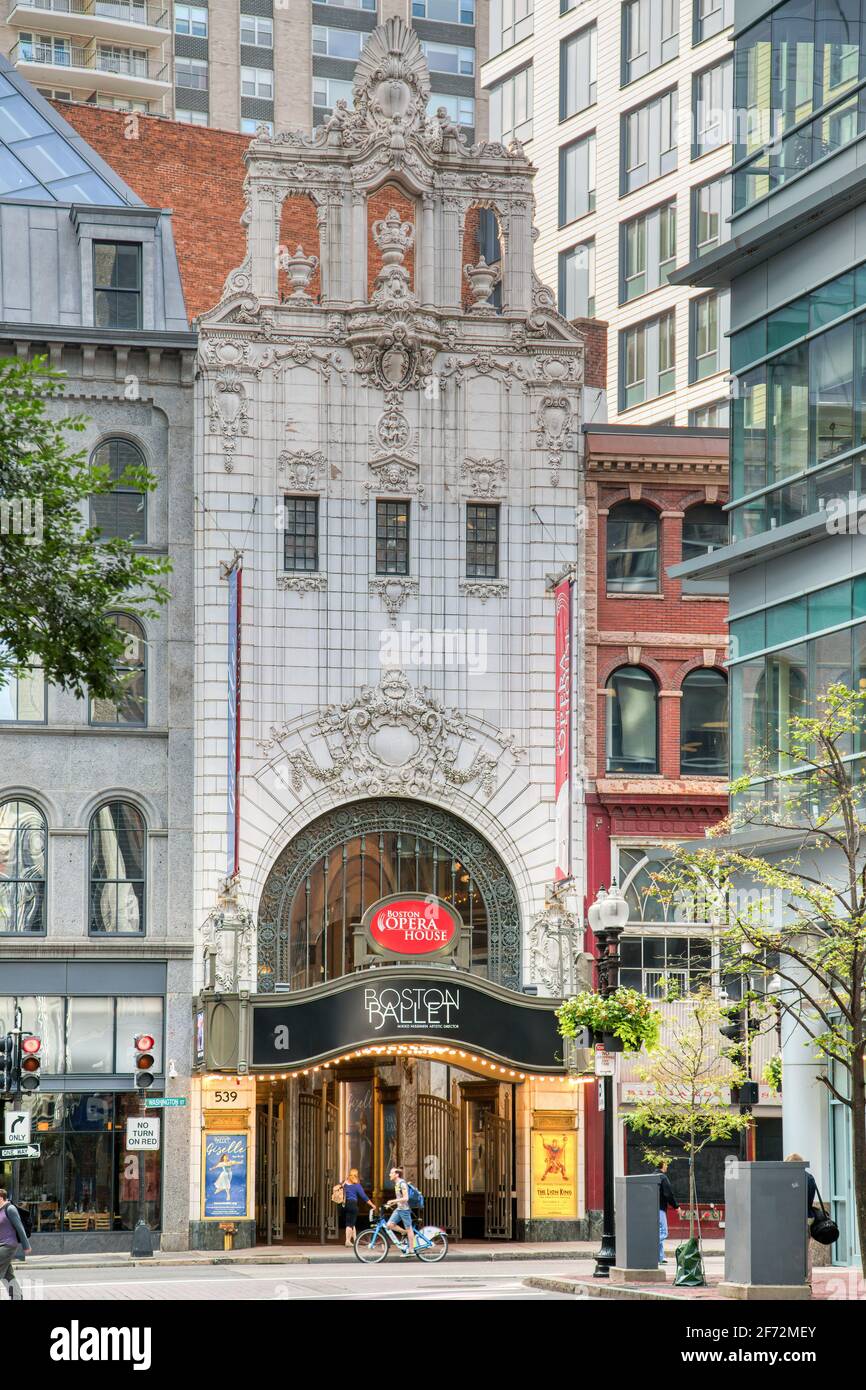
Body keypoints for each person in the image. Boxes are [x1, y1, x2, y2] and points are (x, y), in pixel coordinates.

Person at [786, 1153, 817, 1284]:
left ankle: (794, 1278)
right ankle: (807, 1279)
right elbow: (810, 1199)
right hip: (808, 1217)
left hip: (795, 1219)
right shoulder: (809, 1178)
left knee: (793, 1250)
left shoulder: (792, 1179)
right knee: (806, 1251)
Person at [0, 1188, 31, 1301]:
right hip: (1, 1245)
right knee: (8, 1275)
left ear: (1, 1198)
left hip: (9, 1245)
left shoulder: (10, 1209)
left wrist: (26, 1246)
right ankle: (17, 1297)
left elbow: (20, 1228)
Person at [385, 1166, 416, 1255]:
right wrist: (392, 1204)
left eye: (391, 1173)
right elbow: (400, 1198)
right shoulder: (397, 1184)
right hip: (399, 1209)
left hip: (405, 1210)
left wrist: (393, 1201)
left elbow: (406, 1198)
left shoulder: (402, 1183)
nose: (389, 1174)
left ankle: (411, 1250)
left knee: (409, 1229)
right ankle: (404, 1232)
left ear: (397, 1174)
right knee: (389, 1225)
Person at [341, 1168, 374, 1248]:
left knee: (351, 1223)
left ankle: (355, 1239)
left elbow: (341, 1187)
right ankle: (348, 1241)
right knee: (349, 1224)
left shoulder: (345, 1183)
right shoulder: (356, 1185)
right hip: (353, 1205)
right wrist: (372, 1205)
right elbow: (364, 1197)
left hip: (346, 1205)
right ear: (356, 1176)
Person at [658, 1161, 679, 1266]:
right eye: (666, 1164)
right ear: (662, 1165)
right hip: (660, 1209)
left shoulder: (652, 1176)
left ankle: (660, 1258)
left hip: (651, 1209)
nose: (667, 1166)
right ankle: (650, 1245)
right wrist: (676, 1206)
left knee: (658, 1232)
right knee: (664, 1232)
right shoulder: (663, 1177)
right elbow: (668, 1194)